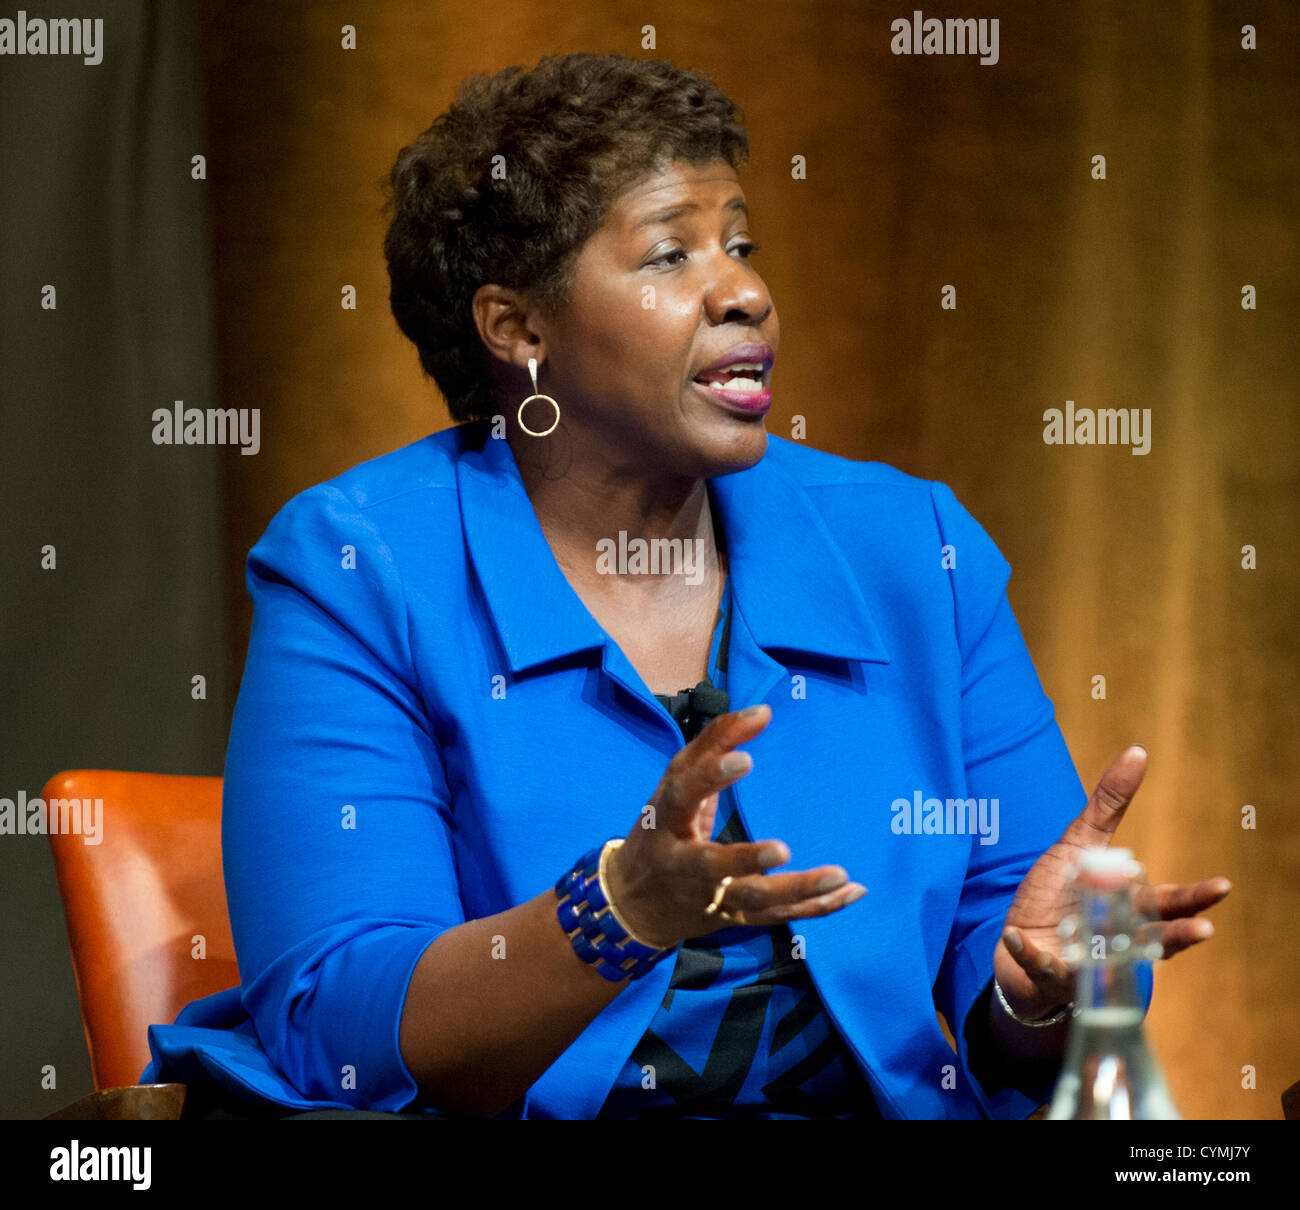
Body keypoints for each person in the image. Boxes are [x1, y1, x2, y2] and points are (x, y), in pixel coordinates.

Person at [142, 52, 1229, 1120]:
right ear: (517, 329)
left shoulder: (907, 549)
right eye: (670, 256)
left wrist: (1033, 996)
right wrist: (613, 915)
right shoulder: (364, 565)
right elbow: (337, 1025)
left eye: (741, 244)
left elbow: (1018, 1003)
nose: (745, 291)